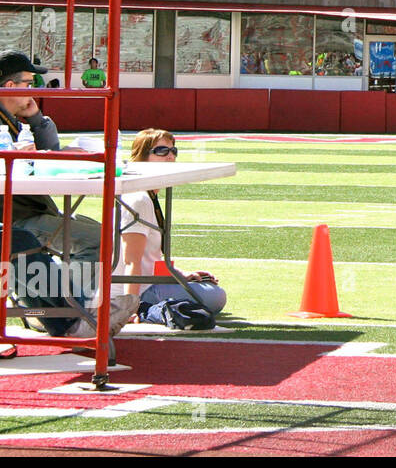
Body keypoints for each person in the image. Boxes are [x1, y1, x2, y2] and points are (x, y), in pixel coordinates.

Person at [0, 49, 125, 338]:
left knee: (98, 235)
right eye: (29, 84)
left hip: (31, 211)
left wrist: (37, 118)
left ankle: (71, 311)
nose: (35, 90)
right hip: (17, 217)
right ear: (10, 87)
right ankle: (74, 313)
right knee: (97, 239)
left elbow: (49, 154)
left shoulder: (14, 120)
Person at [114, 129, 226, 322]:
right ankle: (145, 309)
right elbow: (132, 260)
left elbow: (151, 258)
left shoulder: (148, 196)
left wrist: (179, 275)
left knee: (212, 290)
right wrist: (129, 308)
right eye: (161, 151)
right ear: (142, 157)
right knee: (215, 296)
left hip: (148, 283)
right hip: (137, 289)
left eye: (173, 150)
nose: (170, 156)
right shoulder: (138, 199)